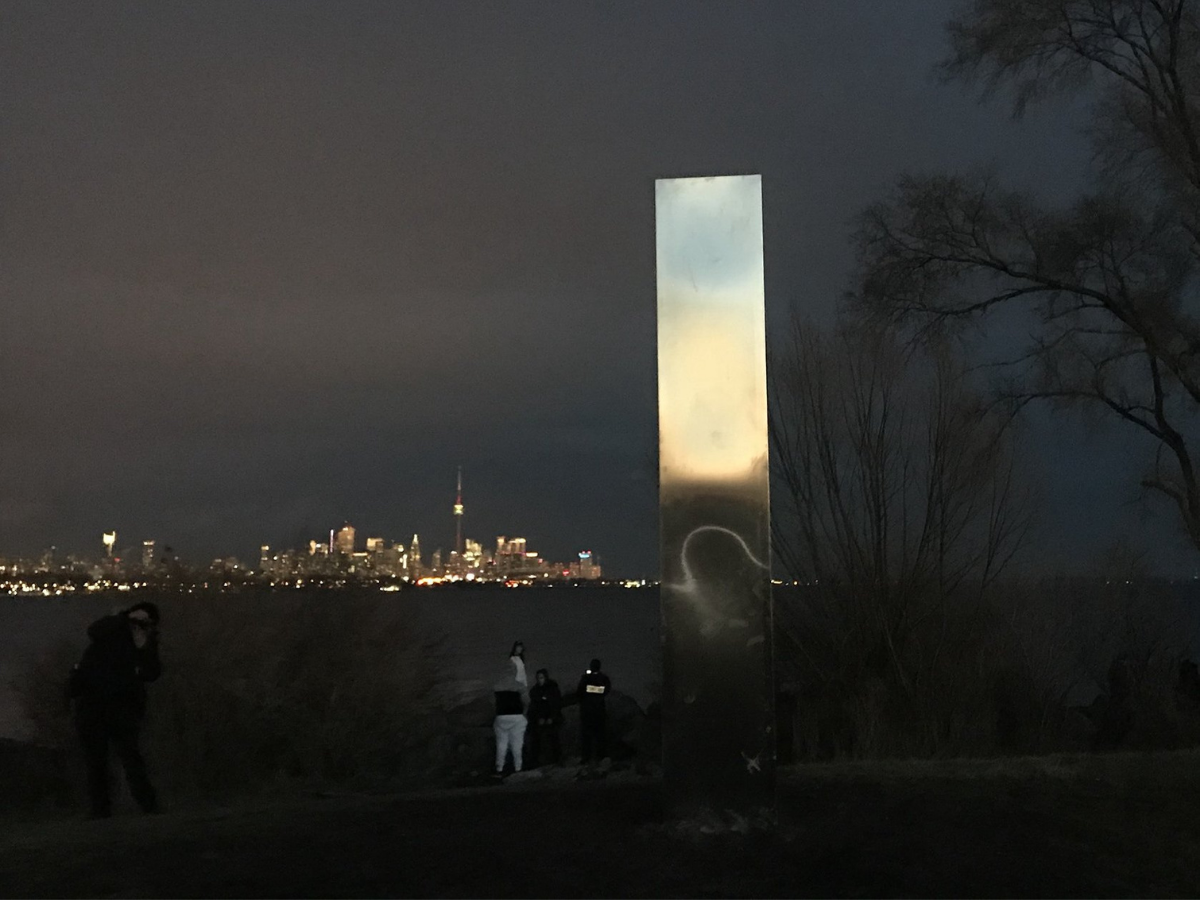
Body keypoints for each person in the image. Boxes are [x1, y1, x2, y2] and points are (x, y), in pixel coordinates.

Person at [67, 602, 162, 818]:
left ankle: (147, 806)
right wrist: (125, 621)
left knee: (129, 759)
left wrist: (146, 644)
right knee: (99, 763)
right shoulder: (109, 634)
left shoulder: (140, 643)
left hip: (119, 707)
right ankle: (103, 811)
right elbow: (96, 630)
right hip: (96, 706)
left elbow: (152, 672)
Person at [493, 665, 527, 778]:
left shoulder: (497, 686)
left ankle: (500, 768)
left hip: (501, 717)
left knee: (501, 744)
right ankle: (518, 768)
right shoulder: (519, 686)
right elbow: (526, 701)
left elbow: (492, 702)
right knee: (517, 744)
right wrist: (524, 714)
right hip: (517, 716)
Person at [576, 658, 612, 765]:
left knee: (593, 736)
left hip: (591, 711)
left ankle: (591, 757)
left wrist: (589, 689)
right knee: (596, 736)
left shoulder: (587, 678)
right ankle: (595, 756)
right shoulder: (602, 678)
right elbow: (603, 690)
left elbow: (582, 691)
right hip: (595, 711)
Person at [526, 668, 562, 767]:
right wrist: (538, 718)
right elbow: (534, 706)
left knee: (553, 738)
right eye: (538, 678)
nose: (539, 680)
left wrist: (552, 717)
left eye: (541, 678)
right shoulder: (535, 690)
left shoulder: (552, 689)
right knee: (536, 739)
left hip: (552, 719)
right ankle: (535, 760)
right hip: (539, 719)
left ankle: (556, 759)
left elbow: (556, 704)